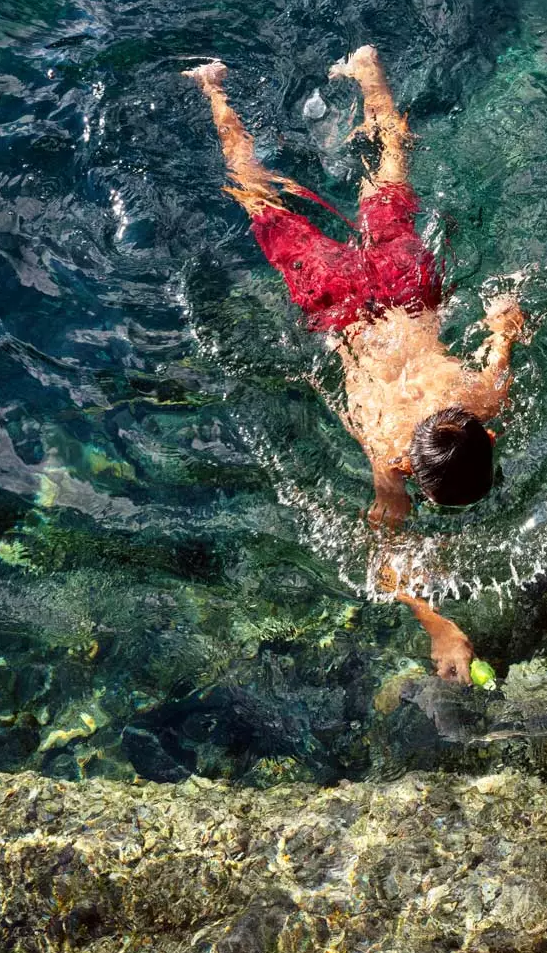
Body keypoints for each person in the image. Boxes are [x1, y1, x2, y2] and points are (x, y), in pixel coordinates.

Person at [184, 46, 526, 683]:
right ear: (408, 473)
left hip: (407, 288)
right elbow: (385, 561)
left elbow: (501, 328)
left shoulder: (482, 398)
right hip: (340, 306)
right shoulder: (385, 452)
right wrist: (437, 623)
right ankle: (212, 88)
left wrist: (505, 324)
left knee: (392, 172)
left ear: (491, 435)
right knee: (260, 201)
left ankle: (366, 70)